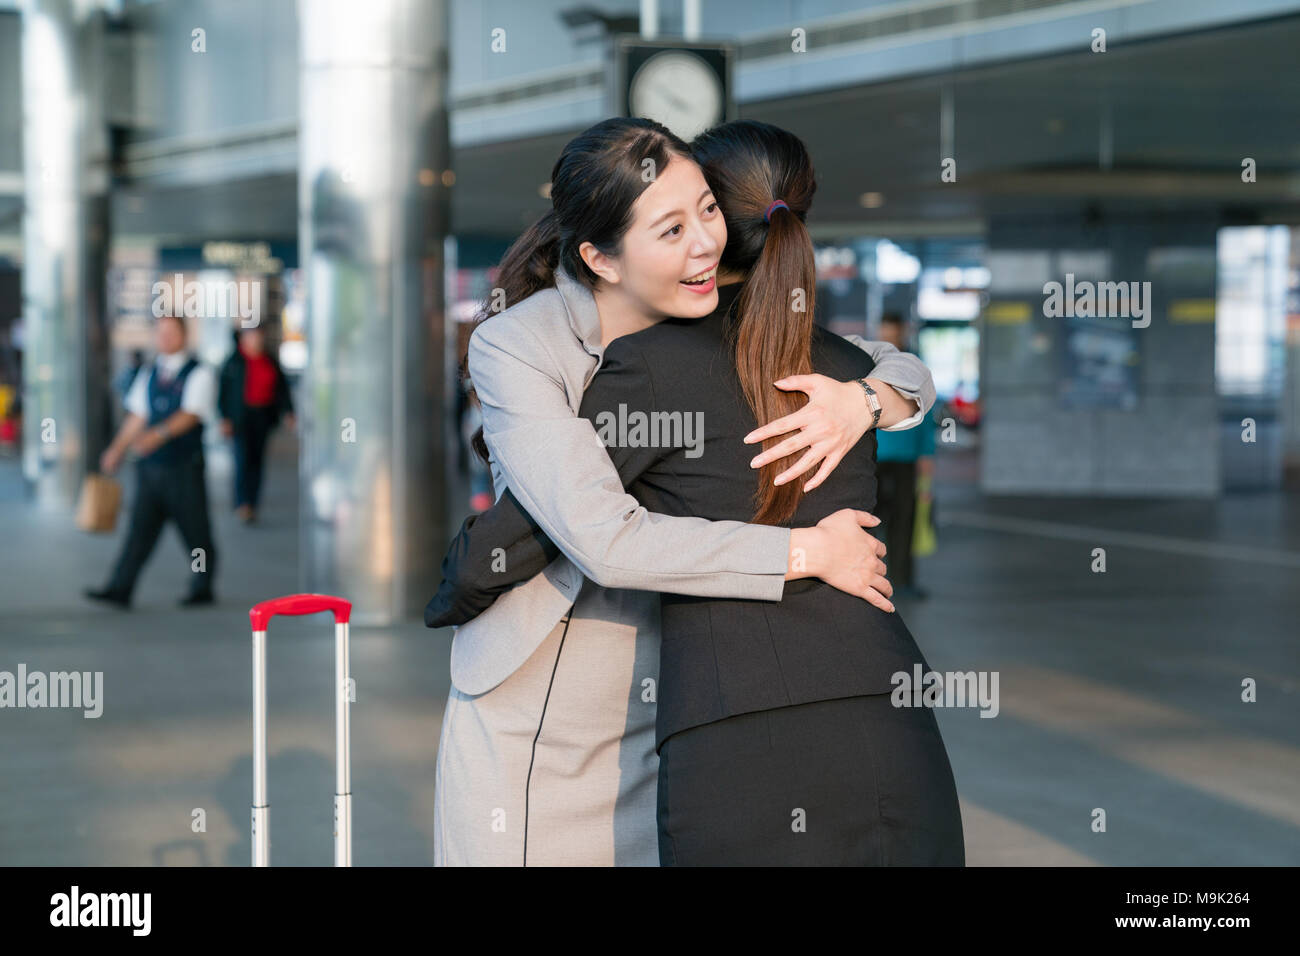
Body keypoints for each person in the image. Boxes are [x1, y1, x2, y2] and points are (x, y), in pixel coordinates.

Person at [427, 117, 937, 866]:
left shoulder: (716, 318)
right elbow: (601, 536)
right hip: (548, 706)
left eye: (706, 208)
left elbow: (904, 369)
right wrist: (806, 551)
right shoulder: (523, 343)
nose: (705, 243)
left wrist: (860, 401)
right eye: (670, 230)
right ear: (601, 257)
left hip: (675, 689)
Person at [85, 313, 219, 608]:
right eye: (161, 333)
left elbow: (191, 414)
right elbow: (137, 416)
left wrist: (157, 435)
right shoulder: (150, 374)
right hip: (151, 470)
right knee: (139, 532)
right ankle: (121, 587)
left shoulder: (199, 373)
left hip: (183, 467)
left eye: (171, 332)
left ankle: (202, 585)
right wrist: (116, 449)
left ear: (184, 335)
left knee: (196, 534)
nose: (165, 338)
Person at [873, 311, 936, 600]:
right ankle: (870, 580)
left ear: (901, 332)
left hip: (906, 461)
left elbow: (928, 411)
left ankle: (904, 581)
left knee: (904, 521)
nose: (889, 336)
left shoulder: (914, 368)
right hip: (873, 459)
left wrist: (926, 457)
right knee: (871, 521)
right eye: (885, 330)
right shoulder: (868, 363)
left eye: (893, 331)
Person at [217, 325, 295, 523]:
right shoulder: (234, 362)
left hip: (263, 416)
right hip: (241, 418)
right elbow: (223, 392)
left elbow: (282, 389)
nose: (255, 340)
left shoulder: (269, 361)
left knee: (258, 461)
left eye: (258, 336)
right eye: (251, 336)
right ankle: (242, 503)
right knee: (242, 459)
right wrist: (224, 418)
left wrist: (288, 412)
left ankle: (253, 502)